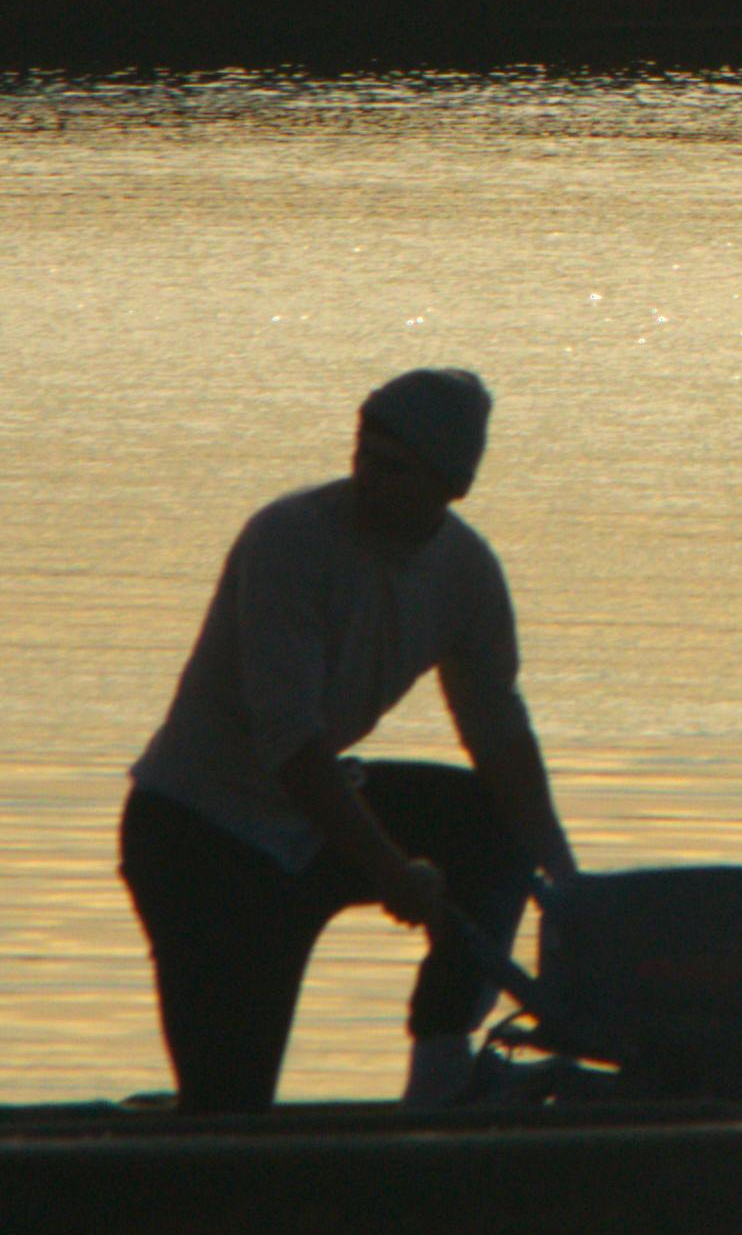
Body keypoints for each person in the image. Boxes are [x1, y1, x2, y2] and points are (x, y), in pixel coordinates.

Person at [120, 369, 574, 1117]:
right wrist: (392, 869)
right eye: (363, 455)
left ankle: (440, 1072)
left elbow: (498, 735)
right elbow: (291, 746)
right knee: (229, 1109)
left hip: (313, 822)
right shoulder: (289, 541)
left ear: (451, 484)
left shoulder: (465, 572)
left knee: (492, 827)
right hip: (202, 834)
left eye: (393, 469)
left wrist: (566, 884)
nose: (367, 478)